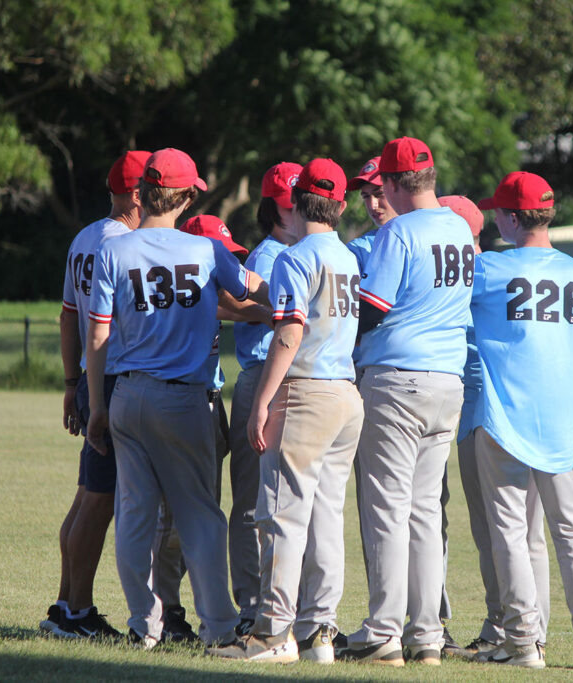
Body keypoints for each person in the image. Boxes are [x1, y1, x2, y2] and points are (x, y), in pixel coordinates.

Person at [84, 148, 269, 649]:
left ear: (141, 192)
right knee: (200, 514)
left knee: (135, 515)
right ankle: (221, 629)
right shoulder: (207, 251)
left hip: (126, 394)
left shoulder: (114, 250)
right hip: (185, 399)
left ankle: (144, 626)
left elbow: (97, 337)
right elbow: (257, 295)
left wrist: (97, 405)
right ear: (187, 197)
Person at [208, 158, 363, 664]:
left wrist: (261, 403)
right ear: (340, 205)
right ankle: (319, 630)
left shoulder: (296, 257)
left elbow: (289, 332)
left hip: (307, 391)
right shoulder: (348, 258)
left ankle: (273, 635)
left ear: (295, 205)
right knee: (324, 519)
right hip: (345, 392)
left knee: (282, 517)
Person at [469, 171, 573, 671]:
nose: (494, 218)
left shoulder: (489, 268)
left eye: (498, 212)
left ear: (513, 218)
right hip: (560, 425)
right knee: (572, 534)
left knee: (511, 533)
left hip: (502, 422)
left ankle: (524, 644)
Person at [341, 137, 473, 667]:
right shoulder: (461, 228)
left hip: (398, 378)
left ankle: (383, 633)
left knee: (388, 510)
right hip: (449, 380)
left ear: (394, 183)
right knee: (422, 513)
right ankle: (427, 635)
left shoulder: (398, 231)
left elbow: (372, 309)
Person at [41, 150, 149, 640]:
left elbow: (67, 316)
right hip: (110, 376)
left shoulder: (86, 236)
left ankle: (65, 605)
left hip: (89, 375)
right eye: (149, 188)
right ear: (134, 195)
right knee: (99, 502)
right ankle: (77, 612)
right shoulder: (126, 244)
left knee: (87, 496)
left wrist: (71, 384)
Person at [440, 193, 552, 659]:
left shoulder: (480, 274)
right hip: (516, 413)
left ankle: (514, 628)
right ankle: (516, 625)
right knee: (522, 532)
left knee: (501, 531)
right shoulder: (483, 272)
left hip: (485, 412)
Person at [152, 214, 259, 643]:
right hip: (182, 402)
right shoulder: (191, 288)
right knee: (176, 518)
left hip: (209, 401)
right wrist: (279, 312)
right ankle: (165, 611)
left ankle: (193, 611)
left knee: (201, 514)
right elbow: (229, 305)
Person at [227, 162, 302, 635]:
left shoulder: (306, 251)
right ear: (275, 206)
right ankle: (251, 605)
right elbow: (242, 308)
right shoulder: (268, 254)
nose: (302, 211)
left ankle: (285, 606)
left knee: (290, 501)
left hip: (300, 382)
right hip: (261, 377)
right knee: (253, 501)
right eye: (294, 203)